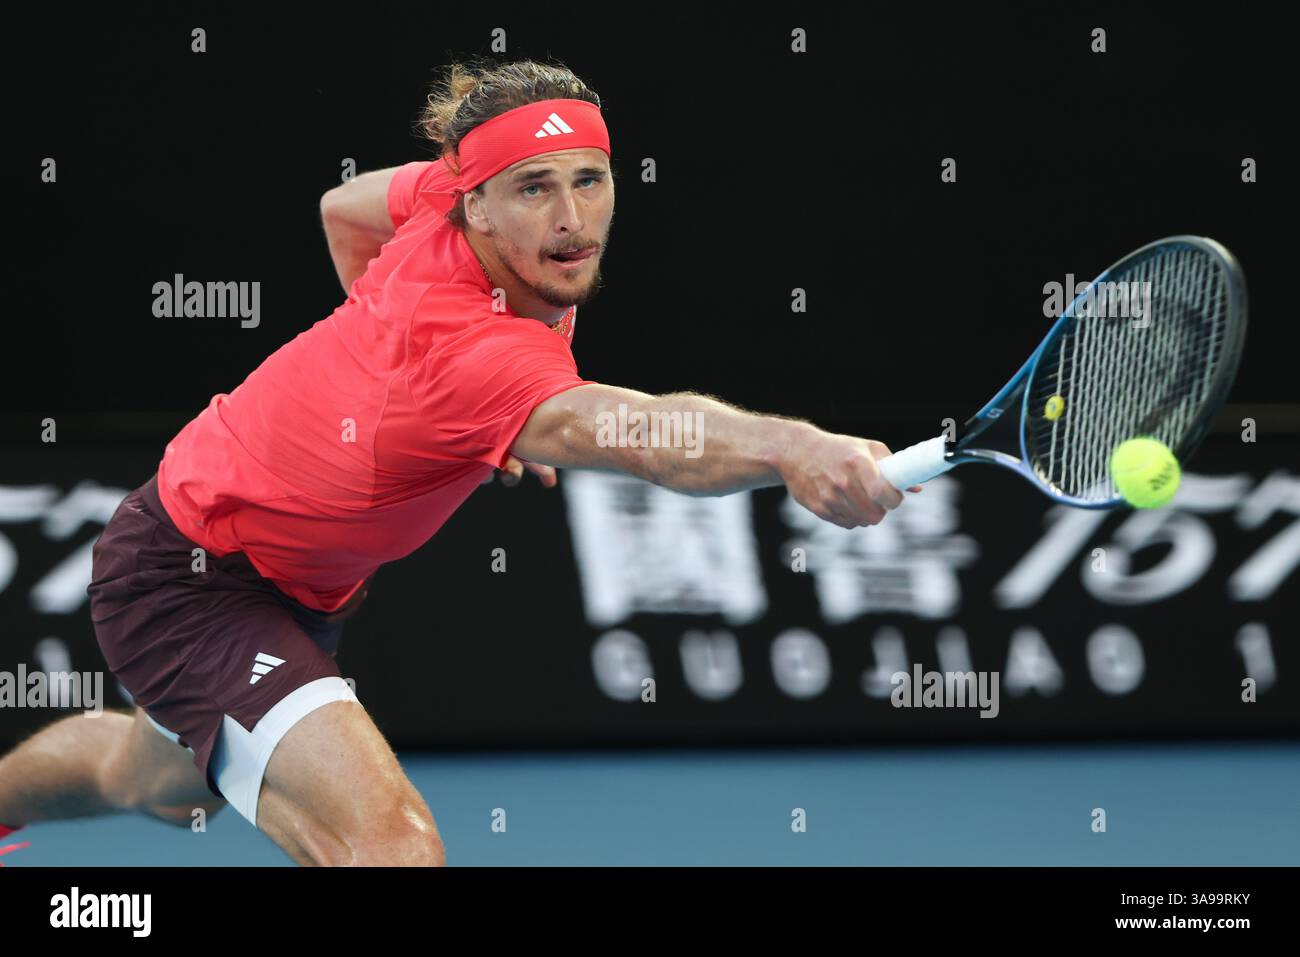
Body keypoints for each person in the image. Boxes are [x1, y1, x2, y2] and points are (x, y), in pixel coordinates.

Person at [0, 59, 915, 866]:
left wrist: (387, 382)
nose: (570, 220)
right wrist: (794, 445)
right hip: (191, 580)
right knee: (390, 847)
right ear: (475, 201)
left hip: (288, 575)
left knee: (156, 780)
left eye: (589, 180)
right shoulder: (472, 358)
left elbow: (340, 206)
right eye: (533, 190)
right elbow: (643, 435)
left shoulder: (438, 201)